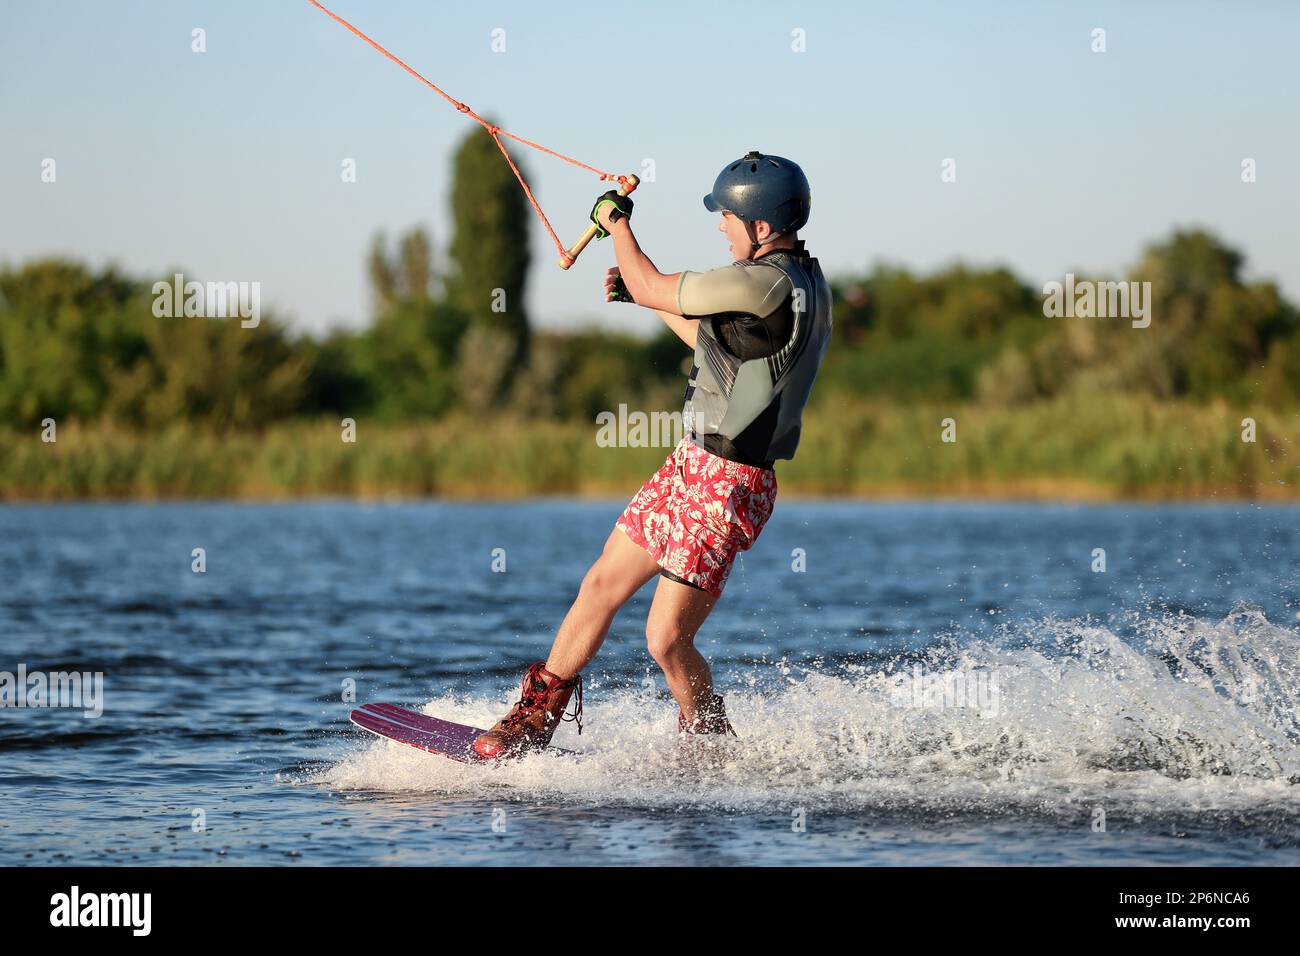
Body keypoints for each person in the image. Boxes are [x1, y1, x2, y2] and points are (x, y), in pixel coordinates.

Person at [473, 151, 833, 759]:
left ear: (761, 227)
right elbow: (711, 344)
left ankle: (710, 742)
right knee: (601, 584)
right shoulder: (794, 281)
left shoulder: (767, 281)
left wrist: (616, 224)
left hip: (728, 483)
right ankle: (534, 719)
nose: (720, 226)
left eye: (726, 217)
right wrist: (646, 300)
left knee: (665, 639)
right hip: (691, 464)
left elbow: (648, 279)